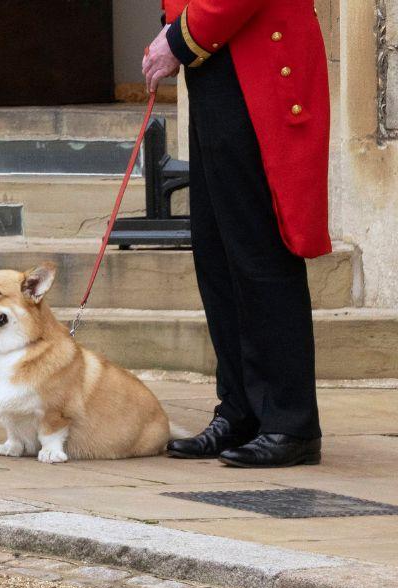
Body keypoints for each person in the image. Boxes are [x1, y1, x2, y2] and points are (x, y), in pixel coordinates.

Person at [141, 0, 330, 468]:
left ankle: (290, 422)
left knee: (259, 251)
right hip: (218, 67)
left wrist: (179, 38)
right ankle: (242, 410)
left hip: (256, 65)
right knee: (218, 250)